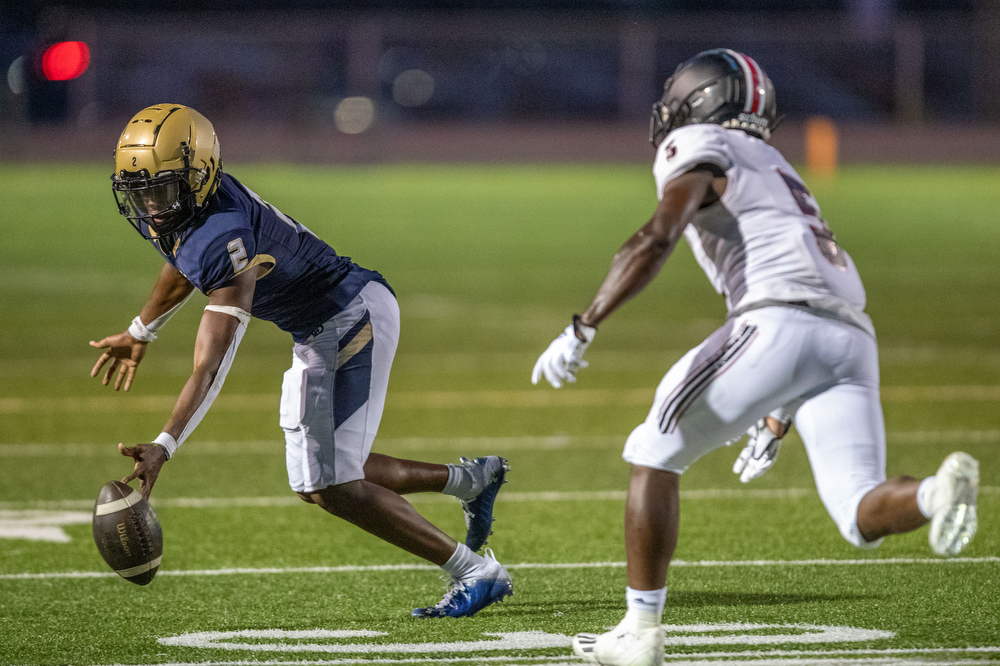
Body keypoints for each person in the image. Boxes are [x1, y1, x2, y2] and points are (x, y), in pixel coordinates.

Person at [531, 49, 979, 666]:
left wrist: (584, 326)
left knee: (652, 451)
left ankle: (638, 632)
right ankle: (935, 493)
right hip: (849, 336)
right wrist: (777, 415)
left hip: (777, 318)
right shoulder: (772, 162)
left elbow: (656, 236)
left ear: (698, 100)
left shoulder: (699, 143)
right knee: (857, 510)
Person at [90, 104, 513, 618]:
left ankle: (476, 572)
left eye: (163, 190)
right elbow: (182, 259)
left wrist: (164, 445)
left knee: (329, 481)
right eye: (143, 191)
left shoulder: (224, 234)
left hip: (349, 316)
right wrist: (142, 329)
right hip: (320, 326)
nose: (153, 206)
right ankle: (469, 479)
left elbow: (212, 365)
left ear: (199, 174)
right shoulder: (188, 203)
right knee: (319, 481)